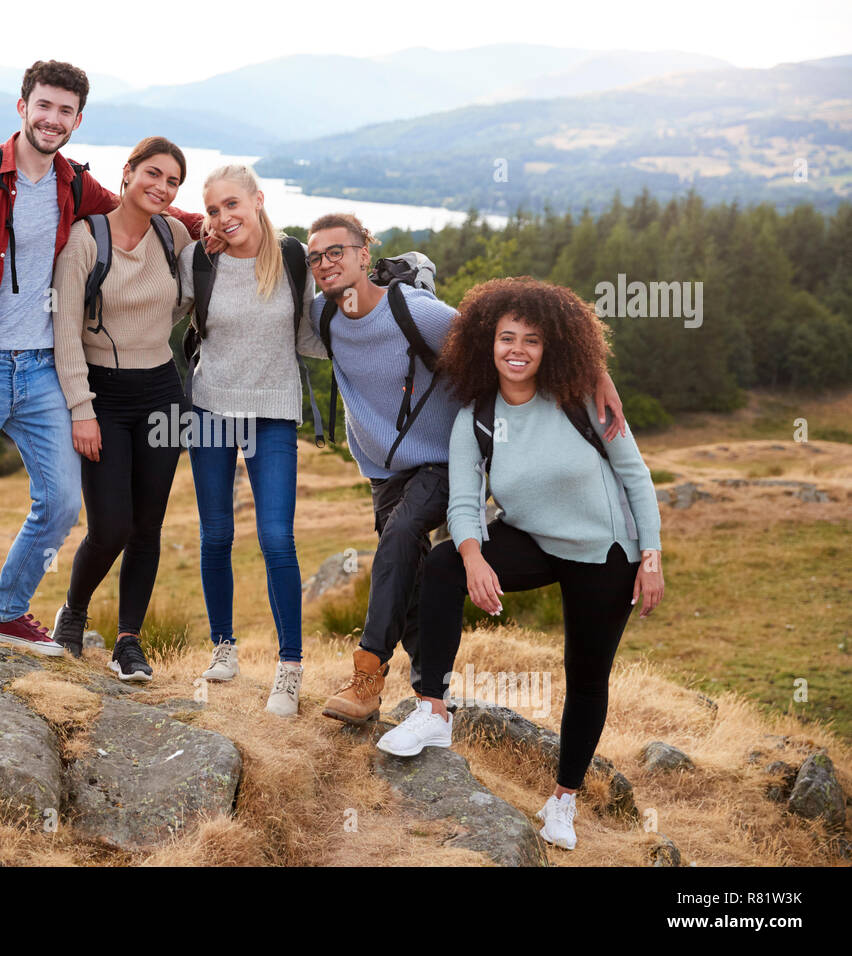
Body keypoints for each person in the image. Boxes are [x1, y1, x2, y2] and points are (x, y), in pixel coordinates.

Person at [0, 61, 202, 691]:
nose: (53, 120)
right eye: (44, 106)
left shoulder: (71, 185)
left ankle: (6, 613)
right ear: (22, 106)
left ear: (78, 120)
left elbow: (135, 207)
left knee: (59, 505)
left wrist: (207, 225)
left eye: (66, 112)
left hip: (42, 373)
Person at [301, 214, 629, 728]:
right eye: (315, 256)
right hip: (383, 472)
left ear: (365, 253)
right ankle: (433, 701)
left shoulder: (416, 312)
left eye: (336, 251)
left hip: (442, 458)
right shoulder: (321, 317)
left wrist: (597, 372)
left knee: (404, 533)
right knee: (405, 568)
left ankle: (367, 678)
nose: (325, 263)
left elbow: (505, 332)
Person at [384, 276, 664, 852]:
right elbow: (464, 502)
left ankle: (563, 800)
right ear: (488, 342)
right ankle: (433, 709)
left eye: (531, 340)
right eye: (506, 337)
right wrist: (473, 559)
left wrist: (651, 555)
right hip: (532, 539)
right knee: (440, 564)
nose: (517, 349)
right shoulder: (476, 416)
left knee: (586, 677)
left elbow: (634, 472)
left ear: (551, 347)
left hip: (604, 551)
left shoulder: (585, 397)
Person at [47, 136, 194, 682]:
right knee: (110, 526)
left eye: (173, 181)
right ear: (127, 172)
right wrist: (81, 410)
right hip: (101, 396)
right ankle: (74, 612)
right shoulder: (87, 240)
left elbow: (188, 293)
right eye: (152, 174)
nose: (161, 187)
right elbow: (63, 336)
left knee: (148, 527)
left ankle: (128, 642)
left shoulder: (173, 232)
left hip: (161, 391)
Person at [176, 164, 320, 716]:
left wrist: (377, 321)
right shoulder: (199, 260)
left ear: (258, 200)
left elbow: (312, 335)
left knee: (276, 539)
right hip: (210, 409)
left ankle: (289, 669)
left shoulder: (291, 257)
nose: (224, 217)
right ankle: (224, 648)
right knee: (216, 535)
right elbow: (164, 313)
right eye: (213, 210)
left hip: (274, 414)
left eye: (233, 204)